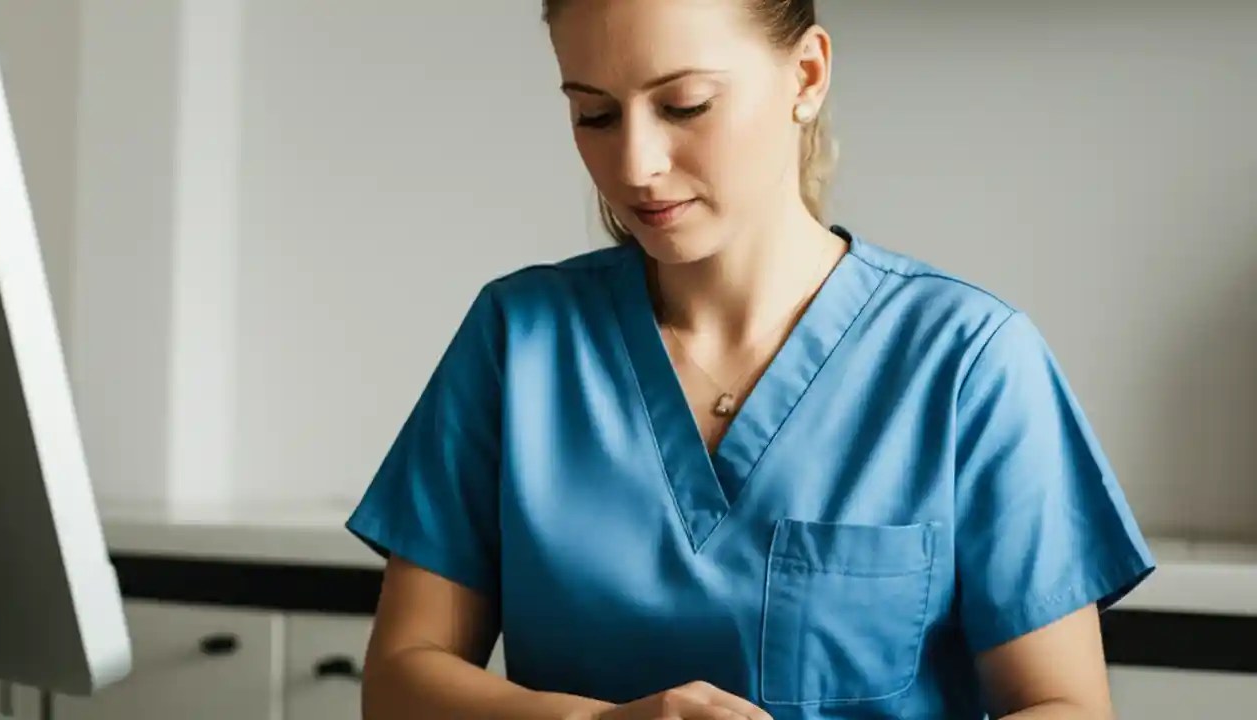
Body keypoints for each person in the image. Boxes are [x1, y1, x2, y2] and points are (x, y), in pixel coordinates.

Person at [345, 0, 1155, 717]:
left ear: (806, 74)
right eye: (594, 115)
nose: (635, 164)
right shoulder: (517, 342)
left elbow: (1065, 704)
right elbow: (402, 682)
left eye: (685, 104)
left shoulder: (967, 362)